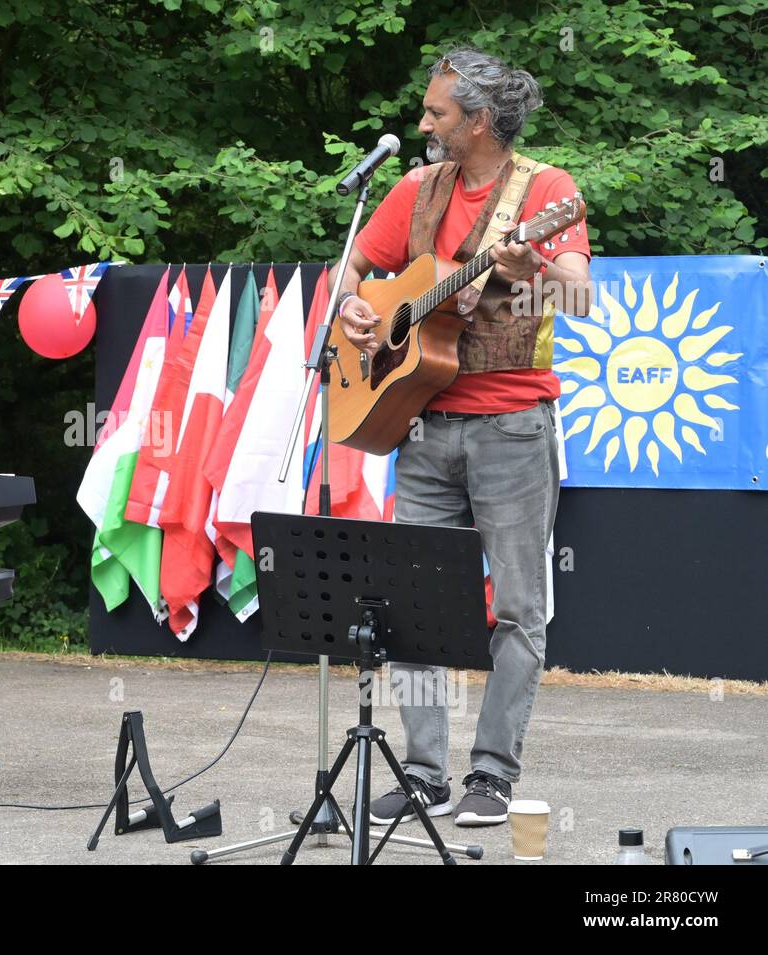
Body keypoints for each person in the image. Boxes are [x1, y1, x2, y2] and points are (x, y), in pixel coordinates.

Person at [332, 47, 593, 827]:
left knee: (517, 606)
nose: (423, 123)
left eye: (437, 113)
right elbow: (351, 273)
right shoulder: (415, 187)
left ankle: (491, 776)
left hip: (513, 426)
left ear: (479, 122)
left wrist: (521, 271)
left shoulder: (547, 190)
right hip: (420, 423)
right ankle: (421, 773)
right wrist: (355, 308)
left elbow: (576, 298)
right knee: (409, 604)